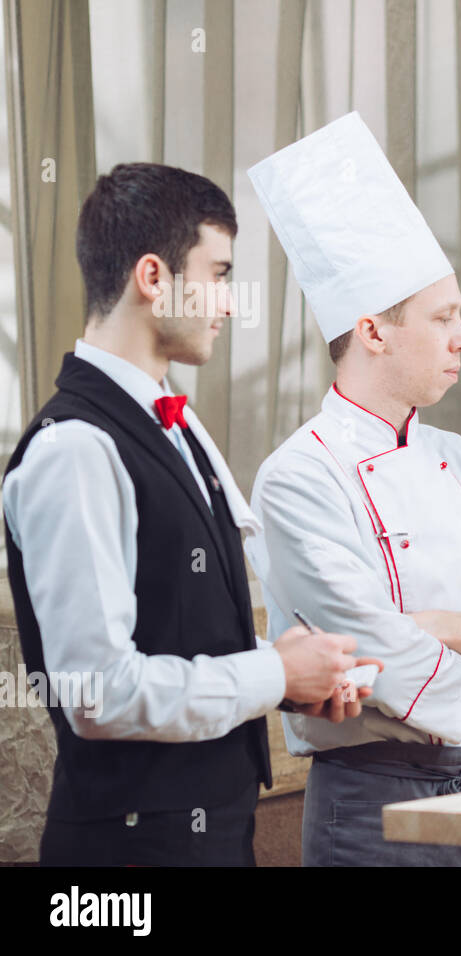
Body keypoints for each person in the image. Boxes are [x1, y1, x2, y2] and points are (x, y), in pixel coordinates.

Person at [246, 112, 461, 867]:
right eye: (444, 318)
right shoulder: (298, 477)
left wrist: (431, 624)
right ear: (373, 331)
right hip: (375, 810)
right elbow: (374, 660)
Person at [2, 163, 367, 866]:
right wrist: (276, 675)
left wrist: (295, 684)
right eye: (220, 273)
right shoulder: (74, 448)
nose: (229, 305)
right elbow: (98, 694)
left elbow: (182, 622)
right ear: (153, 277)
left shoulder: (173, 421)